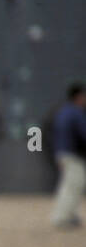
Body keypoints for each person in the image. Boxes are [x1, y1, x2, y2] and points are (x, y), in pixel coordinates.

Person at [50, 83, 86, 229]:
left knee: (72, 184)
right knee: (72, 185)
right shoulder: (76, 113)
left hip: (63, 152)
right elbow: (83, 133)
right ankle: (62, 217)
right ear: (78, 96)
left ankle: (68, 214)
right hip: (72, 153)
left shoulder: (63, 112)